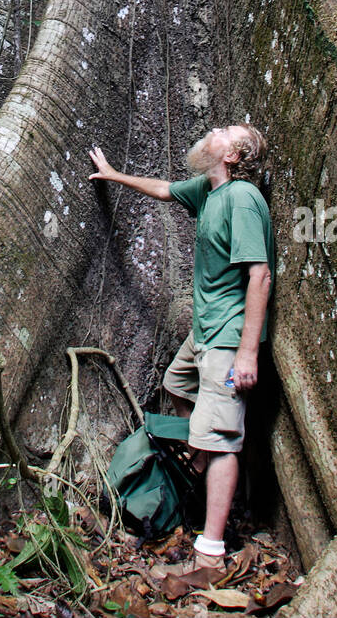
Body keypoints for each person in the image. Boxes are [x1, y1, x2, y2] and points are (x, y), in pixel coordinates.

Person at [88, 124, 274, 577]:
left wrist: (247, 353)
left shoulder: (243, 198)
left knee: (225, 438)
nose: (215, 128)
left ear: (233, 155)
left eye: (226, 131)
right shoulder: (209, 191)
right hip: (204, 334)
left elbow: (261, 275)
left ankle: (210, 551)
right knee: (176, 382)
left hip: (229, 340)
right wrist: (113, 175)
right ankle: (200, 452)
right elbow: (163, 189)